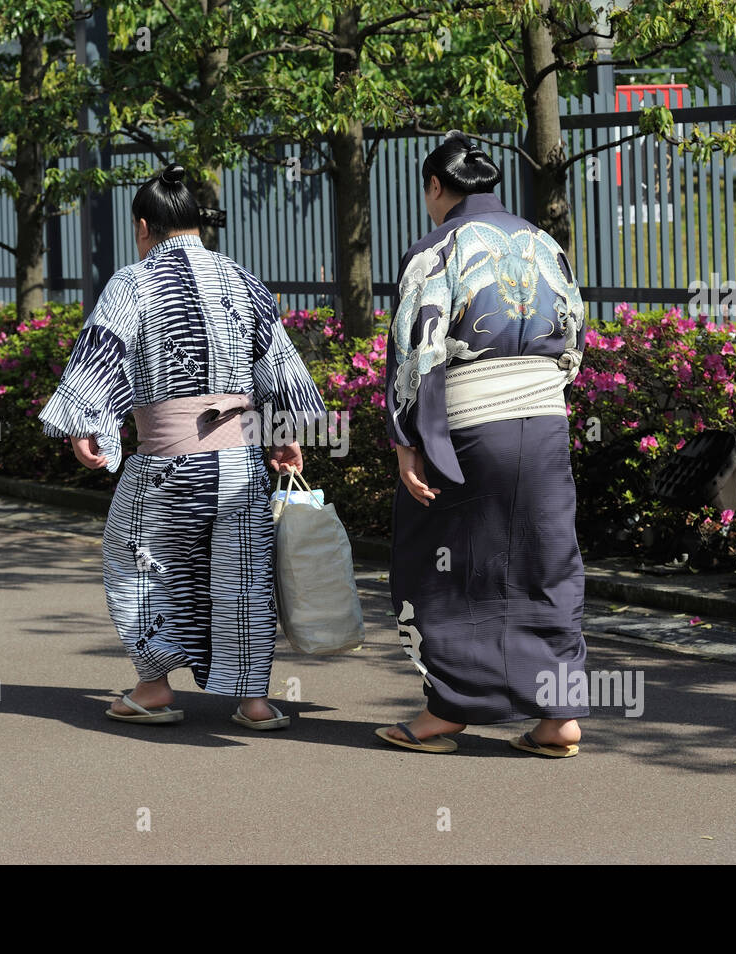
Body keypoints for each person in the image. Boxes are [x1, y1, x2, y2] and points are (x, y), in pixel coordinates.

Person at [38, 163, 326, 730]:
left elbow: (103, 350)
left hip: (168, 463)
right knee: (244, 572)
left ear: (143, 225)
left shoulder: (134, 282)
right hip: (241, 460)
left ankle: (153, 687)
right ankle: (254, 702)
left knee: (136, 558)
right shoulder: (242, 278)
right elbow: (277, 364)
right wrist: (283, 437)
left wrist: (86, 423)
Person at [376, 132, 590, 756]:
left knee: (442, 557)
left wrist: (405, 440)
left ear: (436, 188)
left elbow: (416, 351)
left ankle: (447, 712)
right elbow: (575, 340)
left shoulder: (435, 249)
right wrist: (536, 392)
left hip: (469, 426)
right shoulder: (543, 243)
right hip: (546, 419)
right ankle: (559, 717)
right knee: (547, 560)